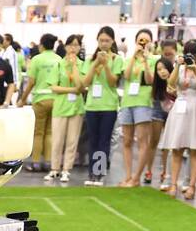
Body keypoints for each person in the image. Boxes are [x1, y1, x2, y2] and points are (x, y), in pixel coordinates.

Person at [157, 39, 196, 199]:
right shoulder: (180, 67)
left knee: (194, 149)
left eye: (193, 53)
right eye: (188, 53)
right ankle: (173, 183)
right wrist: (179, 65)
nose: (190, 57)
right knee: (177, 148)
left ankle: (191, 185)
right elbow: (171, 83)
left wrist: (193, 67)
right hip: (179, 107)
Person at [82, 26, 122, 186]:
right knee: (93, 140)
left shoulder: (117, 59)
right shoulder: (90, 59)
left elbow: (113, 81)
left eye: (107, 40)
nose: (104, 43)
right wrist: (96, 63)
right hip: (92, 105)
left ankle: (100, 172)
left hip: (109, 106)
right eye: (101, 40)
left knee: (104, 141)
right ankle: (92, 172)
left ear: (112, 41)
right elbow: (85, 82)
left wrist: (105, 64)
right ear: (97, 41)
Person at [117, 28, 157, 187]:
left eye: (146, 40)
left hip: (143, 102)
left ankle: (137, 177)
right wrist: (135, 56)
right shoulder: (128, 59)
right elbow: (126, 76)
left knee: (142, 141)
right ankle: (128, 175)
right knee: (126, 140)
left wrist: (146, 60)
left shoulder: (154, 60)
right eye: (140, 40)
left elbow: (149, 79)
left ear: (151, 43)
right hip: (127, 102)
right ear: (136, 42)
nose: (143, 43)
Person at [18, 33, 60, 174]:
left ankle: (36, 163)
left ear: (41, 45)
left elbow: (31, 82)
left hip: (40, 99)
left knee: (38, 133)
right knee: (50, 132)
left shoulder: (36, 59)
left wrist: (22, 99)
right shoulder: (59, 59)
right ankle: (48, 163)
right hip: (55, 99)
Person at [48, 33, 87, 184]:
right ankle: (54, 169)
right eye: (70, 45)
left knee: (72, 141)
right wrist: (70, 91)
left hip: (76, 108)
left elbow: (80, 85)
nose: (73, 48)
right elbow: (53, 87)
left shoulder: (83, 65)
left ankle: (66, 170)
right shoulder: (58, 64)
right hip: (60, 107)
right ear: (65, 47)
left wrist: (75, 66)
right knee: (57, 140)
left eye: (76, 45)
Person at [146, 39, 178, 187]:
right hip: (158, 109)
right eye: (158, 69)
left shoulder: (175, 79)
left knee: (168, 143)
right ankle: (148, 171)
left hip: (173, 111)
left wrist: (174, 91)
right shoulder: (156, 86)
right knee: (154, 141)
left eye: (164, 68)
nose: (162, 72)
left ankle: (165, 172)